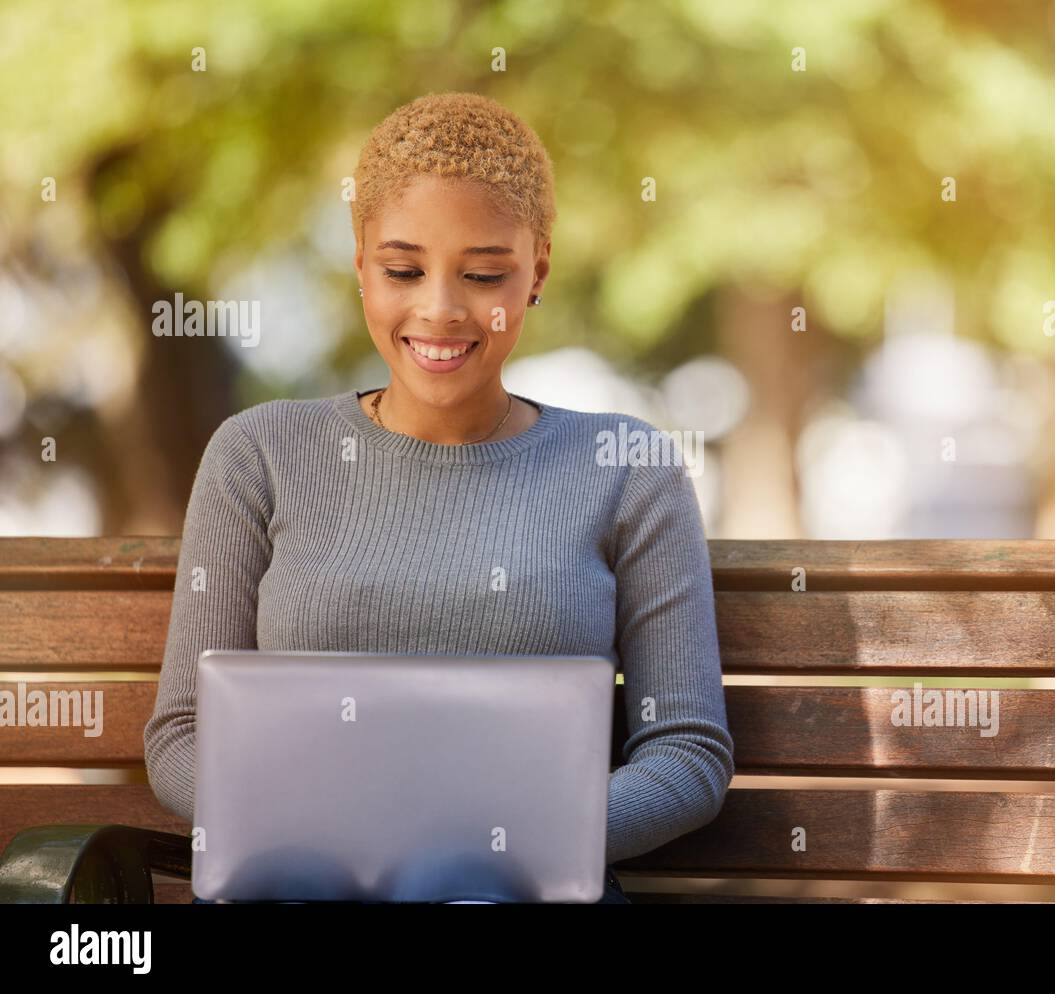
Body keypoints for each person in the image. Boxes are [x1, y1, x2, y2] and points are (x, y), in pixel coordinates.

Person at [144, 91, 735, 905]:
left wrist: (505, 837)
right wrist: (329, 833)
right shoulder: (259, 456)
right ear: (360, 269)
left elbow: (686, 753)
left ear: (538, 274)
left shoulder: (626, 469)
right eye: (402, 270)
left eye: (485, 273)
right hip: (301, 879)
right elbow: (182, 736)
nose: (441, 309)